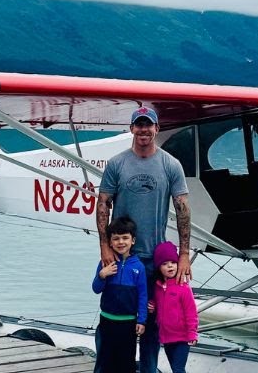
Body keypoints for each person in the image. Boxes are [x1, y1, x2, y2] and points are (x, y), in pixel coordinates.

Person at [96, 105, 192, 373]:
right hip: (122, 258)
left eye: (148, 125)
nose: (143, 130)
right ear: (131, 129)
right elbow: (103, 204)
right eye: (138, 125)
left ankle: (149, 369)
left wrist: (184, 254)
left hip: (154, 260)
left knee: (151, 324)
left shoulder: (170, 165)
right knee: (112, 320)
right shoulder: (117, 164)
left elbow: (183, 208)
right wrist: (105, 245)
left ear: (156, 129)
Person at [91, 216, 148, 372]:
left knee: (126, 362)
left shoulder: (139, 267)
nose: (121, 242)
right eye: (116, 239)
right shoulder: (105, 262)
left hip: (128, 322)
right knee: (105, 360)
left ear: (133, 240)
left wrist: (141, 320)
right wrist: (102, 275)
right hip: (107, 321)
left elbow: (143, 296)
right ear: (109, 242)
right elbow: (96, 289)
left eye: (125, 238)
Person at [151, 241, 198, 373]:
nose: (170, 266)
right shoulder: (158, 287)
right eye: (164, 264)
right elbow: (158, 303)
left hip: (182, 338)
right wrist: (152, 306)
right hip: (166, 338)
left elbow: (191, 313)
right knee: (174, 368)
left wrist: (192, 333)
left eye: (173, 262)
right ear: (159, 268)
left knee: (178, 369)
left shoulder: (184, 288)